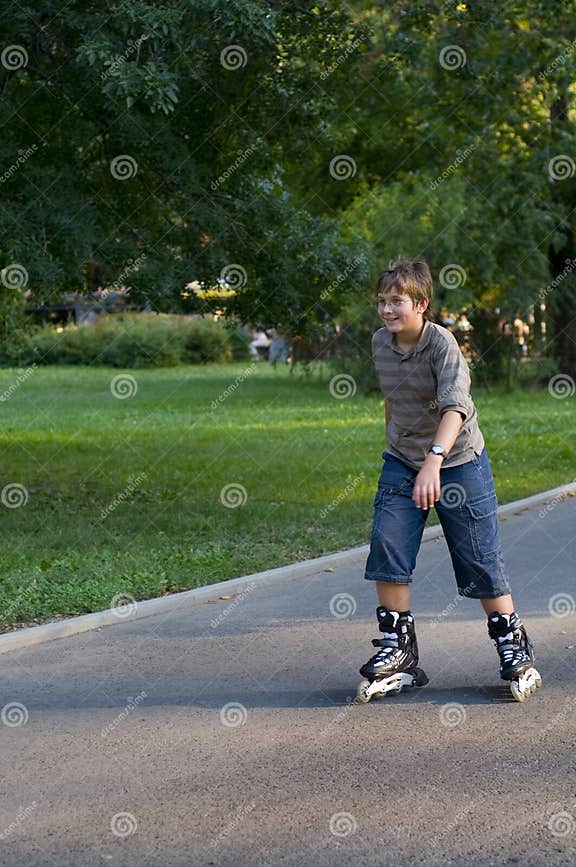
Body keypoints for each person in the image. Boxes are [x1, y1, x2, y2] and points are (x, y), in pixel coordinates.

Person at [359, 256, 539, 700]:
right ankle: (398, 648)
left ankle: (512, 644)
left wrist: (434, 461)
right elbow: (393, 402)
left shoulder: (443, 345)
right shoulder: (380, 344)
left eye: (396, 300)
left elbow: (455, 407)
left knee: (478, 555)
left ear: (421, 303)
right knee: (388, 542)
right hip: (403, 459)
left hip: (457, 458)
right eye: (381, 301)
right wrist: (397, 450)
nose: (386, 309)